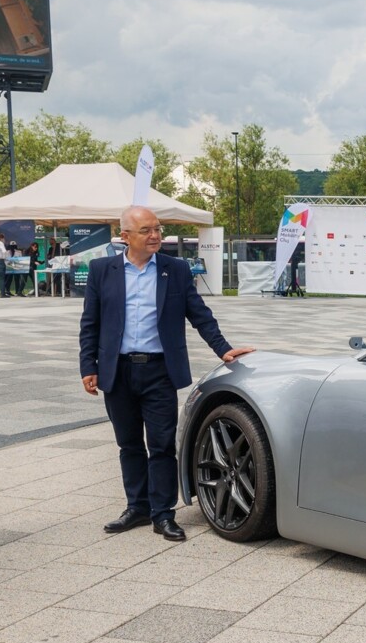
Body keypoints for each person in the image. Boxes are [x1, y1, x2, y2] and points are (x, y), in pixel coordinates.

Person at [80, 206, 255, 542]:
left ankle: (163, 514)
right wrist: (89, 366)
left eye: (158, 229)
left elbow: (199, 314)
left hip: (159, 371)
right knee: (128, 444)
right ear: (125, 236)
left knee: (160, 446)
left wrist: (224, 349)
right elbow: (91, 323)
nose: (156, 236)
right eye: (146, 230)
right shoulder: (103, 270)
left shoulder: (174, 270)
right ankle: (137, 507)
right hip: (117, 371)